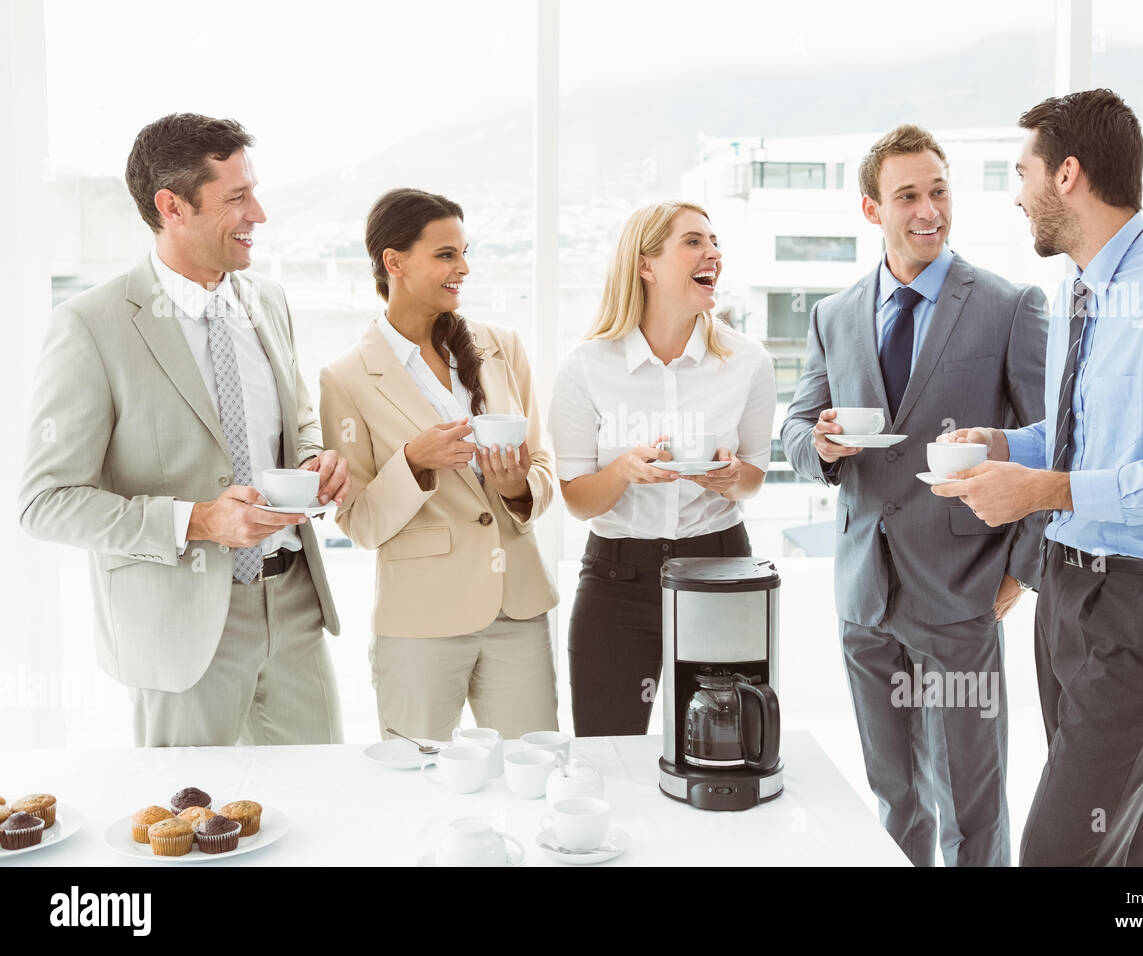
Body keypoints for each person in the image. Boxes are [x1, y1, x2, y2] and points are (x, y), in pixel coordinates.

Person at [932, 89, 1143, 866]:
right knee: (1117, 836)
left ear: (1068, 176)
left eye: (1023, 173)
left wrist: (1049, 491)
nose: (1016, 195)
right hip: (1068, 597)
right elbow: (1083, 439)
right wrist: (1010, 447)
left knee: (1057, 850)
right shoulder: (1079, 291)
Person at [18, 113, 349, 747]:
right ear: (171, 205)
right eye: (236, 198)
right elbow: (45, 504)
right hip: (182, 631)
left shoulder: (268, 301)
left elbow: (298, 422)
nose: (260, 213)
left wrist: (316, 461)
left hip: (296, 605)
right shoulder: (91, 325)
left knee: (321, 812)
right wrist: (196, 521)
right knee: (192, 825)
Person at [781, 124, 1049, 867]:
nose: (928, 209)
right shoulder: (832, 315)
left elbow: (1053, 443)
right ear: (873, 209)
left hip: (963, 591)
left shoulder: (1008, 305)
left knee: (971, 804)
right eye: (908, 195)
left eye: (939, 191)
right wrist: (822, 444)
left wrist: (1022, 570)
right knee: (894, 796)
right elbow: (796, 431)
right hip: (865, 593)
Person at [319, 188, 559, 741]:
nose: (464, 268)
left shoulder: (502, 348)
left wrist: (520, 488)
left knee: (533, 769)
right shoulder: (347, 377)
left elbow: (542, 464)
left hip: (518, 609)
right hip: (420, 622)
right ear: (394, 262)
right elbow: (358, 523)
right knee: (414, 786)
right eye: (446, 255)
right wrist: (413, 462)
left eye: (464, 252)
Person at [550, 201, 776, 737]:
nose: (713, 254)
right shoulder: (586, 367)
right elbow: (579, 500)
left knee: (725, 750)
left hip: (720, 569)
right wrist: (624, 471)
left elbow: (755, 477)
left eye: (715, 242)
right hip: (616, 581)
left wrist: (729, 477)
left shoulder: (748, 362)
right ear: (646, 264)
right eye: (694, 241)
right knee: (606, 750)